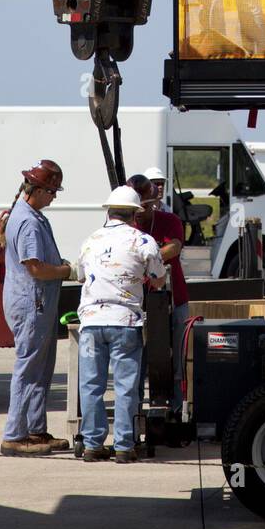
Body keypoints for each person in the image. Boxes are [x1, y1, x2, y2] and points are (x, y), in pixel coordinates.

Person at [76, 185, 167, 463]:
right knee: (126, 386)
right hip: (125, 322)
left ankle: (92, 444)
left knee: (91, 385)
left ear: (109, 212)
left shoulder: (90, 240)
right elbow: (158, 279)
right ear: (134, 215)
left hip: (91, 323)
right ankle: (124, 446)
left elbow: (81, 275)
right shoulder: (143, 241)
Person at [0, 159, 73, 457]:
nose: (54, 197)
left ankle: (35, 429)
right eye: (52, 192)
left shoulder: (29, 215)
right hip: (32, 304)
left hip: (35, 303)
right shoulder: (29, 222)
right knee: (29, 369)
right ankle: (15, 435)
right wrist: (66, 271)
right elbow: (36, 269)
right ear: (39, 190)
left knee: (40, 369)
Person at [127, 173, 190, 412]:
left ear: (154, 203)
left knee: (177, 358)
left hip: (175, 299)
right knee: (136, 361)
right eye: (137, 206)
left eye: (145, 206)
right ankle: (135, 411)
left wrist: (145, 258)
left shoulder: (170, 220)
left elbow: (174, 247)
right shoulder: (124, 226)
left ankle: (176, 408)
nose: (140, 211)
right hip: (136, 301)